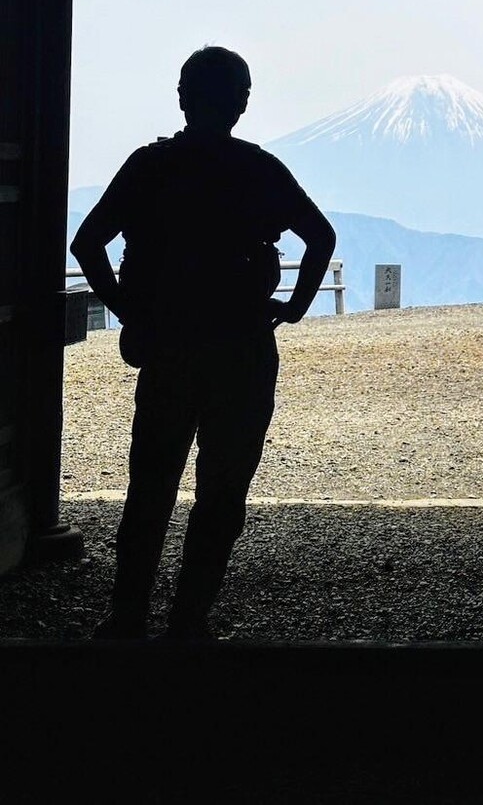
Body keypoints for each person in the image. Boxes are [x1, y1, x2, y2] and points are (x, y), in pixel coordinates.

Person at [70, 46, 336, 641]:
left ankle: (128, 616)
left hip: (168, 347)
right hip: (242, 348)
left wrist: (129, 309)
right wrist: (292, 308)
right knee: (223, 491)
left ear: (183, 97)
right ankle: (188, 618)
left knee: (150, 485)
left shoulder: (151, 166)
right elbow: (320, 236)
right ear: (241, 103)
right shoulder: (258, 169)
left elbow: (87, 243)